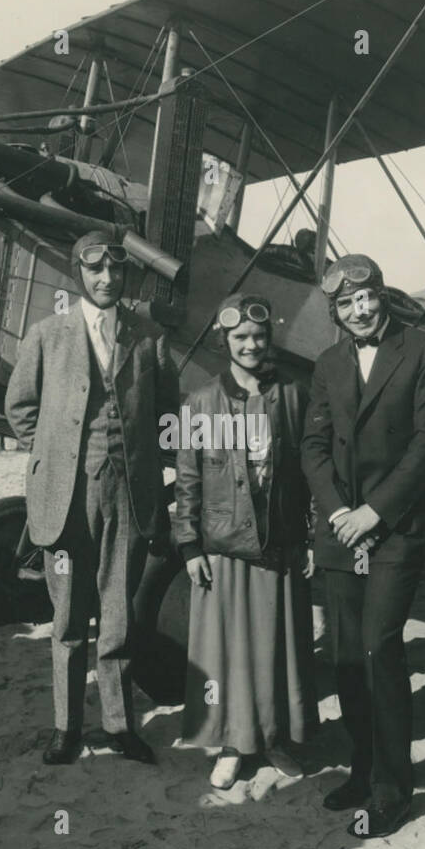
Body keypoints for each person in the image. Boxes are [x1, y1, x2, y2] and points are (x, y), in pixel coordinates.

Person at [6, 228, 180, 767]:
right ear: (78, 273)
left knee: (117, 615)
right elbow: (20, 408)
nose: (107, 279)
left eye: (116, 271)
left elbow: (166, 414)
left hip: (128, 493)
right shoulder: (47, 334)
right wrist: (54, 458)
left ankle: (119, 725)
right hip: (65, 497)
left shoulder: (149, 336)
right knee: (66, 618)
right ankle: (66, 728)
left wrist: (148, 462)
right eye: (95, 269)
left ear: (126, 275)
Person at [300, 254, 425, 838]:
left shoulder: (423, 352)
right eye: (346, 303)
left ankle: (393, 788)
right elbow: (312, 448)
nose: (359, 310)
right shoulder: (328, 364)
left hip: (393, 529)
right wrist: (340, 511)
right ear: (336, 313)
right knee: (344, 654)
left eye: (366, 298)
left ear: (383, 296)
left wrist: (374, 511)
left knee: (379, 649)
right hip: (342, 530)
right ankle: (361, 770)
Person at [175, 293, 318, 789]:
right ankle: (234, 745)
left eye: (258, 336)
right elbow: (189, 478)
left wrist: (309, 536)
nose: (251, 345)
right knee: (228, 650)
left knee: (276, 646)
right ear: (225, 341)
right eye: (240, 338)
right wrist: (190, 547)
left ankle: (276, 739)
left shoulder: (294, 397)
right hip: (223, 546)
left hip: (279, 544)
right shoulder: (201, 402)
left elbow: (308, 472)